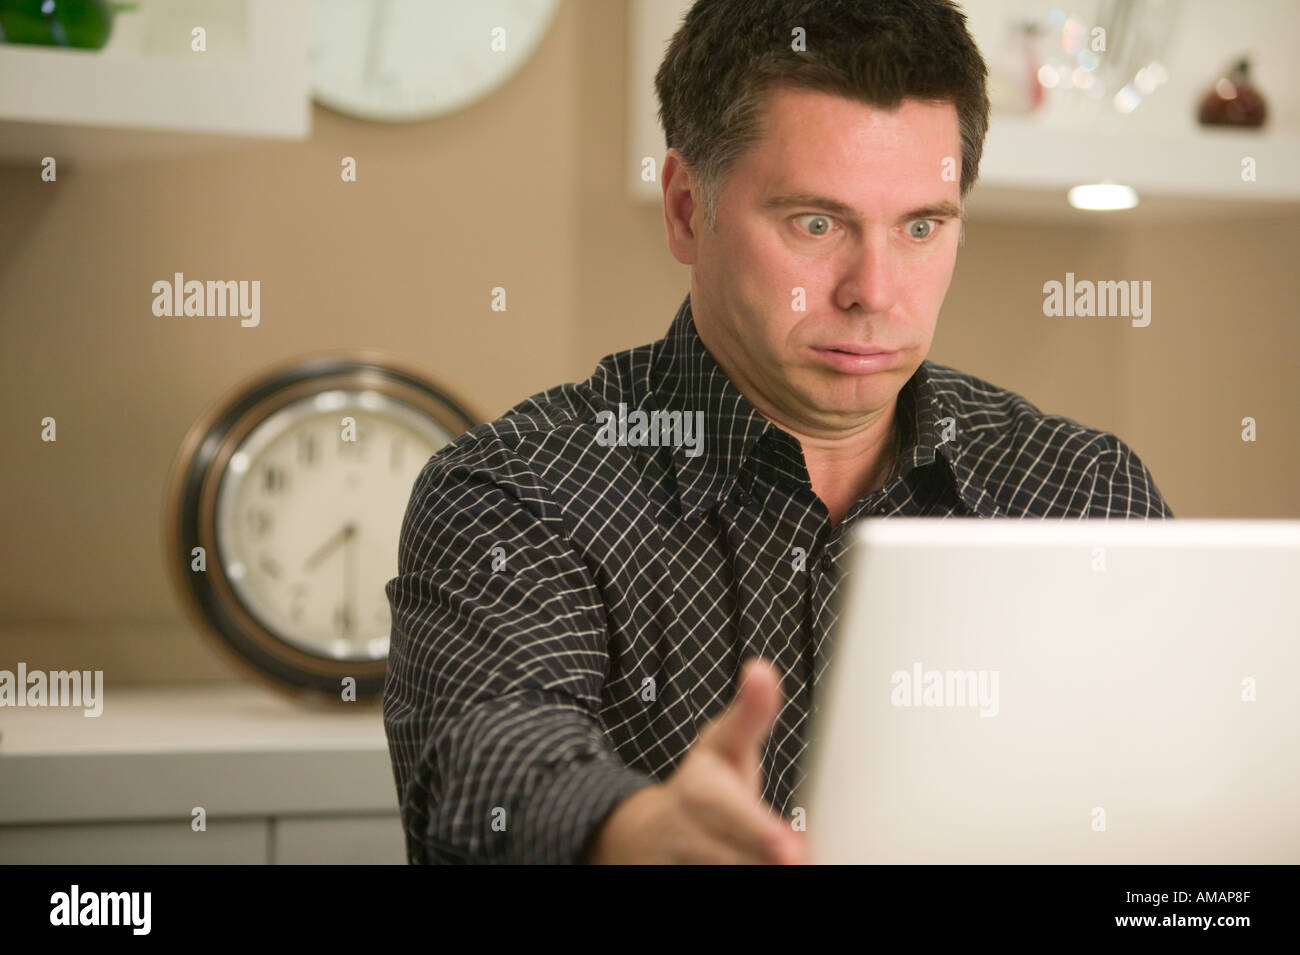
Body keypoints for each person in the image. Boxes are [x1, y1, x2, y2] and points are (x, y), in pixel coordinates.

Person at [383, 0, 1173, 865]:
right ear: (688, 209)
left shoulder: (1081, 494)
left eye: (920, 226)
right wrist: (638, 833)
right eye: (817, 223)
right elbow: (486, 765)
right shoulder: (520, 490)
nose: (874, 289)